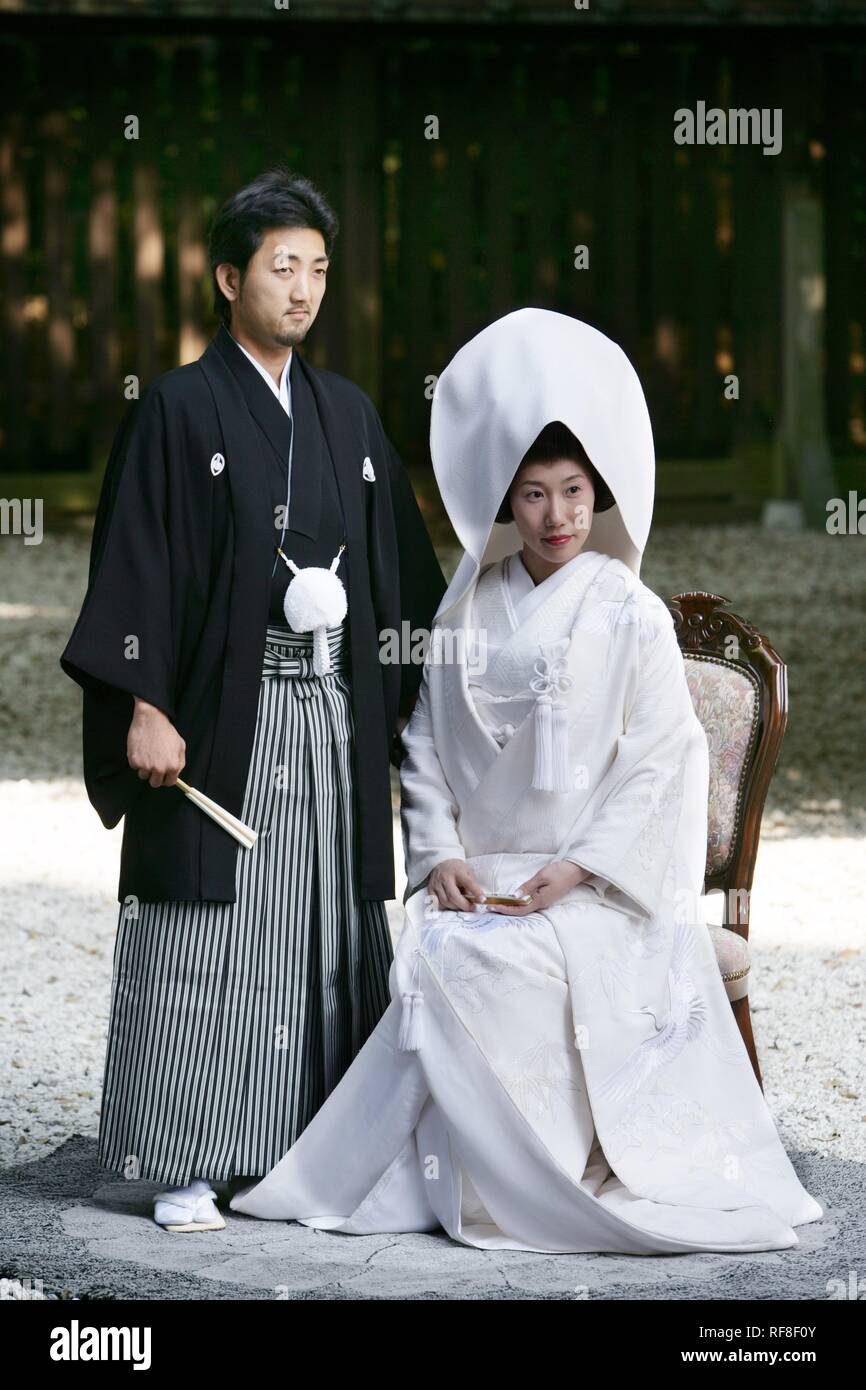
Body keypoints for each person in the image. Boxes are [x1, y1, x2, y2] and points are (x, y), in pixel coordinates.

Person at [228, 307, 825, 1255]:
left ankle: (530, 1185)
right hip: (486, 876)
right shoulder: (468, 603)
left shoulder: (629, 608)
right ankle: (459, 1185)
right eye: (537, 494)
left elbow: (665, 756)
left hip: (593, 891)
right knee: (450, 952)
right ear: (509, 501)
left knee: (505, 965)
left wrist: (581, 869)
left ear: (602, 494)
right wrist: (439, 859)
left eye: (577, 491)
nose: (559, 518)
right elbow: (422, 746)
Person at [59, 167, 445, 1232]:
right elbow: (135, 563)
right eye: (283, 267)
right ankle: (188, 1155)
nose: (303, 287)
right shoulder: (179, 408)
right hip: (223, 715)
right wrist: (141, 699)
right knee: (208, 929)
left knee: (322, 928)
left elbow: (401, 577)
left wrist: (420, 677)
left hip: (325, 715)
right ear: (229, 278)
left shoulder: (348, 414)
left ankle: (320, 1154)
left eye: (319, 269)